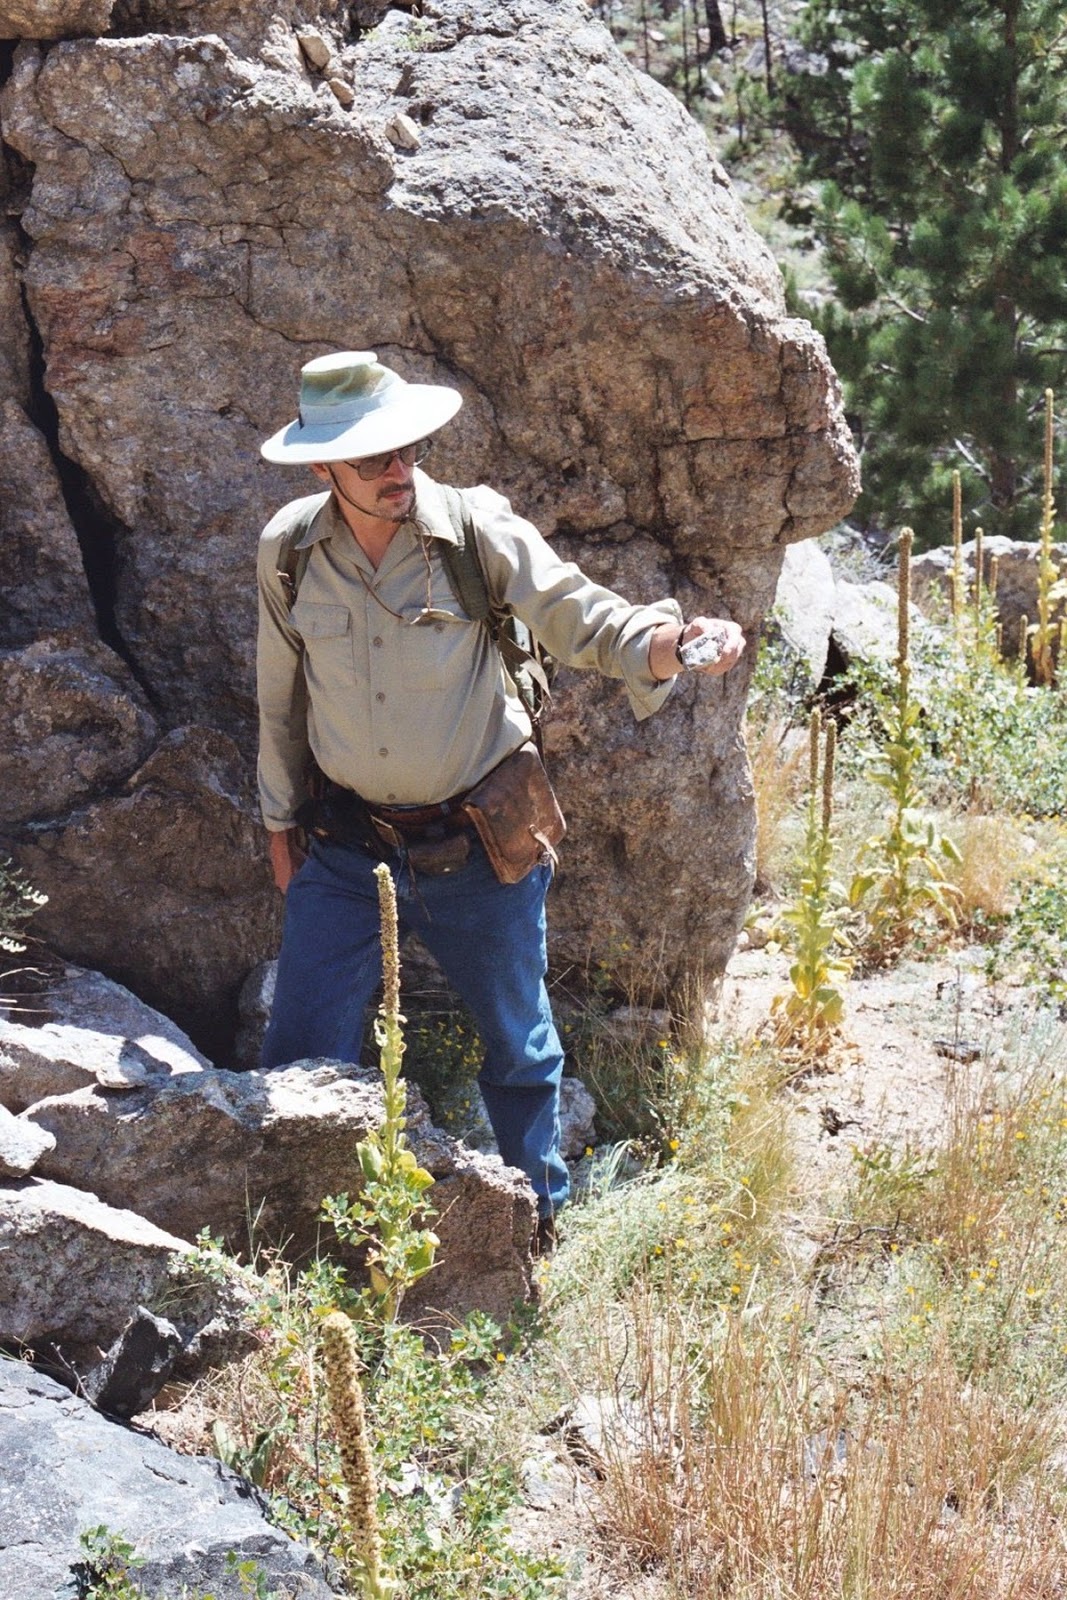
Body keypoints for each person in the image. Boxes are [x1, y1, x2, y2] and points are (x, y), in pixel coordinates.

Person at [256, 351, 745, 1245]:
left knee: (518, 1048)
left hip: (479, 842)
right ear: (323, 467)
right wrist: (279, 823)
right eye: (372, 458)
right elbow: (278, 696)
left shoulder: (473, 531)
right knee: (299, 1052)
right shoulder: (288, 550)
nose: (398, 469)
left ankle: (536, 1229)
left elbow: (578, 613)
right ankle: (308, 1240)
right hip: (344, 846)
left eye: (407, 448)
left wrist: (672, 642)